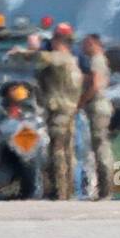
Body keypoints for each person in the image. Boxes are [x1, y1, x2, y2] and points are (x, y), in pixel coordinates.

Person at [28, 22, 84, 200]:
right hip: (68, 110)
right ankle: (68, 190)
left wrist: (29, 49)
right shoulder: (73, 58)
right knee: (68, 150)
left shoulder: (59, 57)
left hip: (58, 110)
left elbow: (39, 58)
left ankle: (60, 191)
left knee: (57, 150)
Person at [78, 33, 115, 200]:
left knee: (101, 148)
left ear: (93, 43)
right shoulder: (99, 60)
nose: (83, 48)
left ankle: (105, 190)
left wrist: (81, 101)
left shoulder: (97, 59)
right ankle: (102, 189)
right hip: (99, 106)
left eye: (85, 44)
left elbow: (95, 84)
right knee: (98, 147)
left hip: (98, 106)